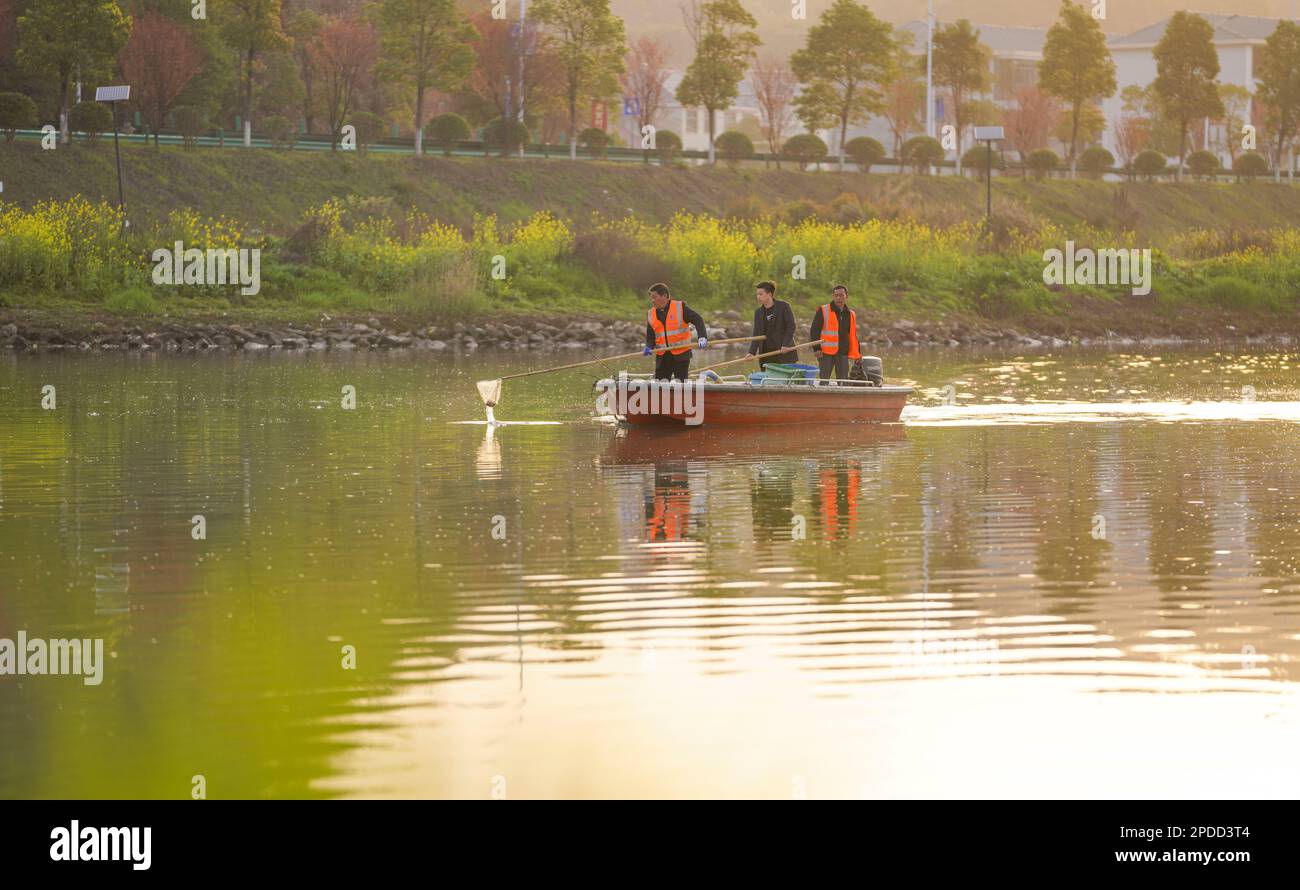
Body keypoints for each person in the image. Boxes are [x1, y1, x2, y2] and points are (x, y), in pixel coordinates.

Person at [643, 283, 708, 380]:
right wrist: (648, 346)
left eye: (654, 297)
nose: (652, 301)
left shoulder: (680, 307)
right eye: (651, 298)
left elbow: (698, 320)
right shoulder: (650, 314)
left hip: (681, 355)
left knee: (680, 386)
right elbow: (650, 335)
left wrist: (702, 337)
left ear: (664, 296)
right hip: (663, 356)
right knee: (660, 386)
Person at [809, 284, 862, 381]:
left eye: (841, 295)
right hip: (825, 353)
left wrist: (858, 354)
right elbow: (814, 330)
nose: (838, 298)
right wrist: (816, 348)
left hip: (842, 353)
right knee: (824, 381)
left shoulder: (850, 314)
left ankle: (842, 396)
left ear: (846, 296)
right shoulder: (823, 310)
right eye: (836, 295)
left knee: (843, 382)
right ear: (833, 296)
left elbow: (853, 335)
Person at [747, 281, 799, 368]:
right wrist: (751, 353)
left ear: (769, 294)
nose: (758, 297)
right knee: (768, 380)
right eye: (757, 294)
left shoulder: (783, 307)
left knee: (786, 379)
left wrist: (785, 344)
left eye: (761, 294)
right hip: (767, 355)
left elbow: (791, 326)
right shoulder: (758, 312)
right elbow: (756, 334)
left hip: (783, 352)